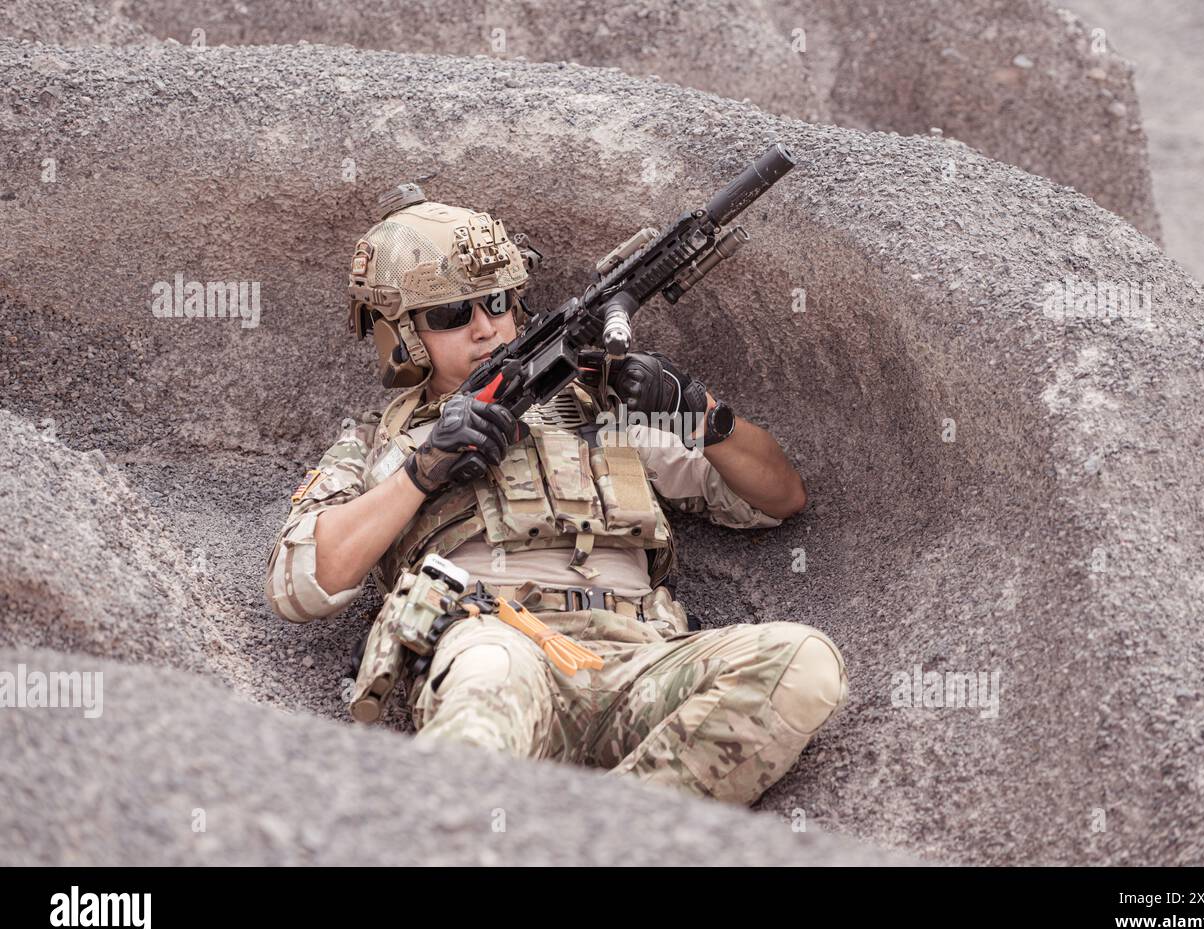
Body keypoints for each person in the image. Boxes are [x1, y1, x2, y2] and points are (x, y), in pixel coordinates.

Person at [264, 184, 849, 805]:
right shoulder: (378, 446)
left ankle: (605, 840)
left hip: (642, 661)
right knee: (488, 679)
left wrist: (698, 410)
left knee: (803, 659)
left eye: (496, 301)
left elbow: (779, 496)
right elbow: (301, 583)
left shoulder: (599, 412)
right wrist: (423, 470)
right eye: (450, 314)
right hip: (499, 641)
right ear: (403, 335)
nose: (485, 327)